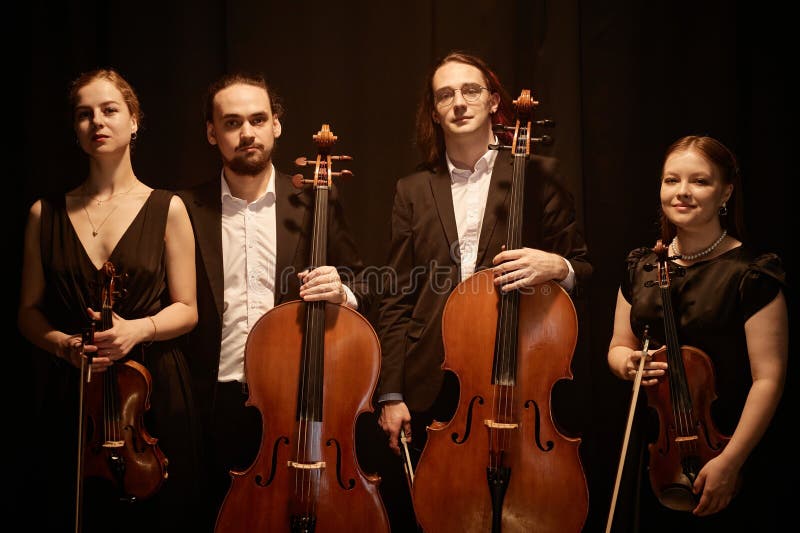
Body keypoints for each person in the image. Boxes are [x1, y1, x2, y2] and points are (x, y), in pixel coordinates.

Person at [374, 51, 592, 531]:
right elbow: (395, 297)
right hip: (435, 377)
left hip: (521, 369)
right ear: (433, 111)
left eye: (470, 90)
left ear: (494, 100)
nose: (458, 102)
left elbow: (583, 267)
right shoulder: (411, 189)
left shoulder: (540, 174)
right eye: (445, 94)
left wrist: (557, 266)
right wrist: (389, 391)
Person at [178, 72, 374, 531]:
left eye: (258, 119)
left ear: (276, 126)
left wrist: (341, 291)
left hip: (294, 402)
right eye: (231, 122)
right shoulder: (184, 208)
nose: (246, 132)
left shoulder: (314, 199)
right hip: (212, 403)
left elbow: (364, 281)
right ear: (212, 132)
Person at [17, 68, 201, 532]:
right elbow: (27, 312)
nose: (96, 121)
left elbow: (187, 309)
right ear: (75, 129)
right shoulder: (45, 213)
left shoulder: (168, 208)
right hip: (76, 396)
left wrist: (137, 330)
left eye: (109, 109)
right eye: (84, 114)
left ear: (133, 120)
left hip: (152, 391)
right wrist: (63, 345)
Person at [607, 135, 788, 532]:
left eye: (699, 181)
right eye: (672, 180)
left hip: (730, 449)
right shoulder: (642, 267)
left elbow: (768, 379)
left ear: (725, 192)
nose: (682, 192)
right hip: (657, 453)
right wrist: (628, 364)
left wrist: (729, 461)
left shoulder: (751, 274)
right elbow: (619, 346)